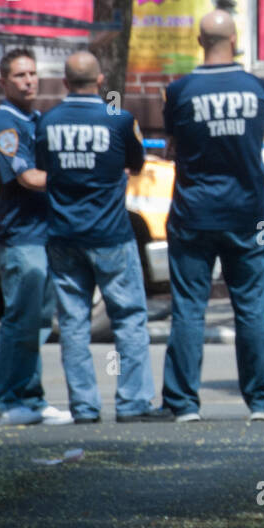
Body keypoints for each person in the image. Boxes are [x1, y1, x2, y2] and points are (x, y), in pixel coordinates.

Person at [158, 12, 264, 422]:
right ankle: (263, 403)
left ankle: (182, 404)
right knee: (251, 309)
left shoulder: (179, 91)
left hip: (193, 213)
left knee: (189, 308)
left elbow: (172, 146)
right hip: (247, 214)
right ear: (234, 37)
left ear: (199, 39)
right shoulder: (257, 88)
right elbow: (255, 142)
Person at [36, 52, 170, 423]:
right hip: (111, 233)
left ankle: (84, 406)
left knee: (74, 321)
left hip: (63, 235)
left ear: (65, 83)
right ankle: (132, 403)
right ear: (100, 81)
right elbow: (137, 163)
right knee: (128, 318)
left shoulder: (47, 122)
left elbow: (43, 168)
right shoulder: (120, 119)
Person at [0, 48, 72, 427]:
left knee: (36, 324)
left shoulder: (36, 119)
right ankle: (3, 402)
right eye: (20, 76)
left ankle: (30, 398)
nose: (29, 81)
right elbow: (28, 178)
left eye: (33, 74)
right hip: (21, 239)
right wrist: (80, 180)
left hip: (43, 236)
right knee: (19, 322)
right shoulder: (6, 124)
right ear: (4, 82)